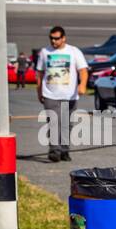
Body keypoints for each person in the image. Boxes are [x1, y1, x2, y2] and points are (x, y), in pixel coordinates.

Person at [36, 26, 88, 162]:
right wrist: (39, 91)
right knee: (54, 122)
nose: (54, 41)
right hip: (50, 94)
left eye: (57, 38)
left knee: (67, 124)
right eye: (51, 38)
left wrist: (82, 85)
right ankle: (54, 151)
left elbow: (83, 70)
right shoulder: (44, 52)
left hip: (69, 95)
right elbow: (40, 73)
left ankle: (64, 150)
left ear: (63, 38)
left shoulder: (74, 51)